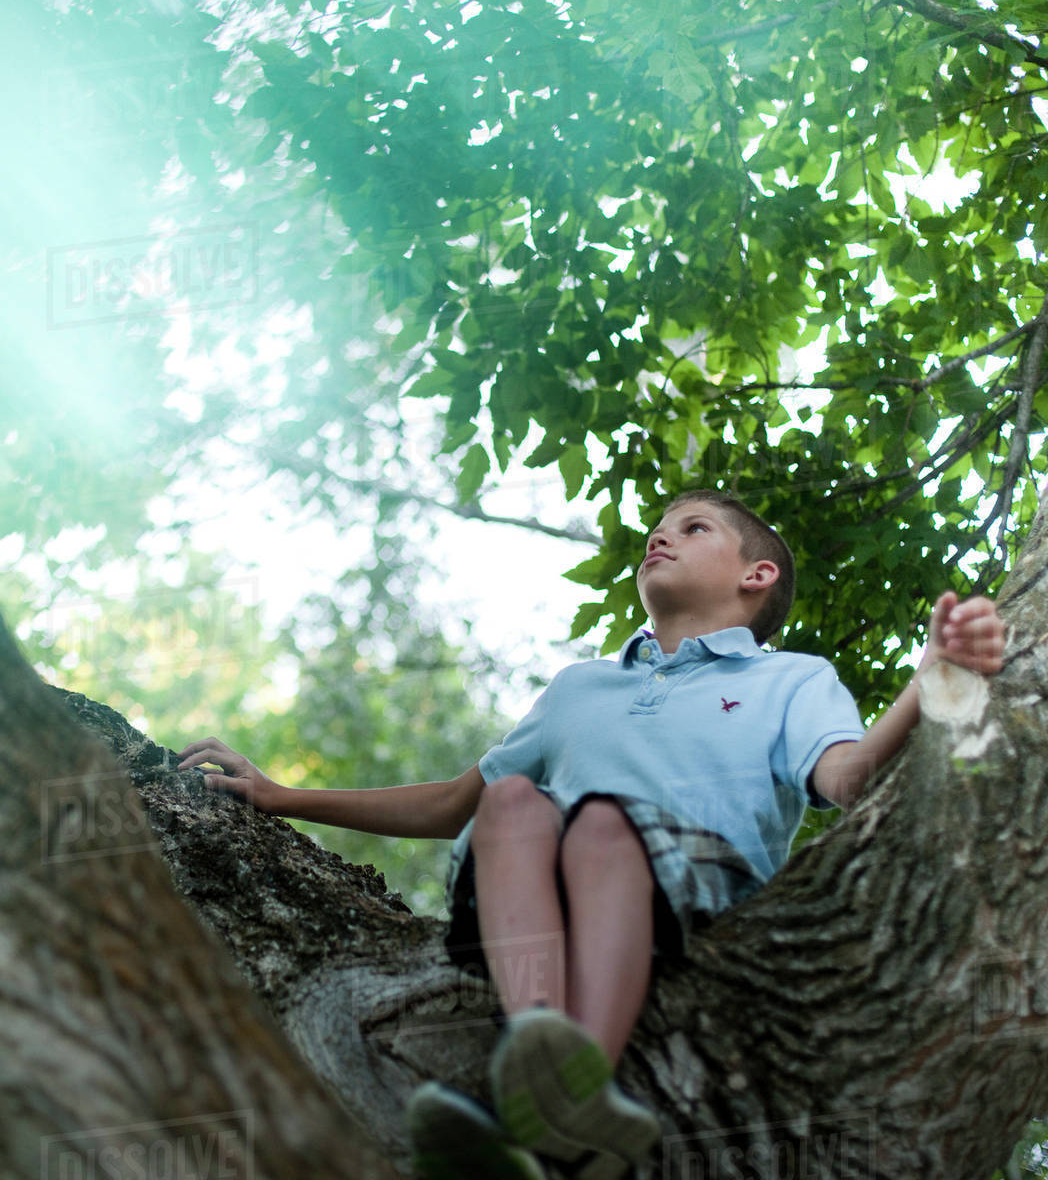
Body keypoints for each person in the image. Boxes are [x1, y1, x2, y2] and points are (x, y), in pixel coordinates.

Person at [176, 490, 1006, 1180]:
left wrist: (934, 676)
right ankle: (543, 1060)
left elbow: (849, 779)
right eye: (660, 526)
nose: (660, 535)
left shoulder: (792, 677)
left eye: (693, 528)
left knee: (602, 822)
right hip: (540, 902)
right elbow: (450, 805)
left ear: (758, 576)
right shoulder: (578, 688)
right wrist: (282, 797)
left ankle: (582, 1080)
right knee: (510, 807)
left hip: (700, 894)